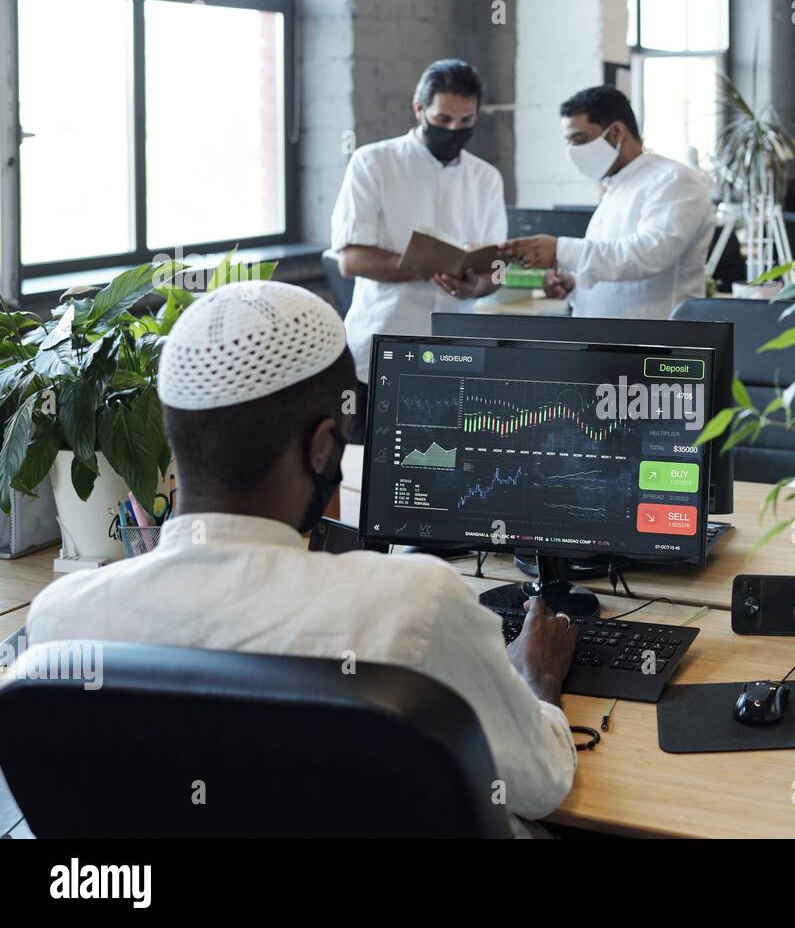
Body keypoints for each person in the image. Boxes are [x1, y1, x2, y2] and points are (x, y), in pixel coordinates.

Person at [25, 281, 578, 835]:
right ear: (321, 447)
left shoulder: (61, 624)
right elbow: (542, 784)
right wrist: (537, 679)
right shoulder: (416, 605)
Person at [331, 59, 506, 441]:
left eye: (466, 122)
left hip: (457, 356)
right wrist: (429, 266)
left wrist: (480, 286)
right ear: (419, 109)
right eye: (443, 119)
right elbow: (350, 260)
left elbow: (497, 268)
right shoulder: (373, 163)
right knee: (363, 477)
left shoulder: (486, 178)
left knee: (444, 482)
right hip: (378, 352)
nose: (454, 130)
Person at [500, 85, 714, 319]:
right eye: (568, 141)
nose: (572, 150)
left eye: (579, 139)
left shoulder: (673, 180)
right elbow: (612, 267)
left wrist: (560, 250)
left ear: (616, 133)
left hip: (656, 344)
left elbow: (648, 254)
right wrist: (573, 285)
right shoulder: (616, 185)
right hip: (607, 341)